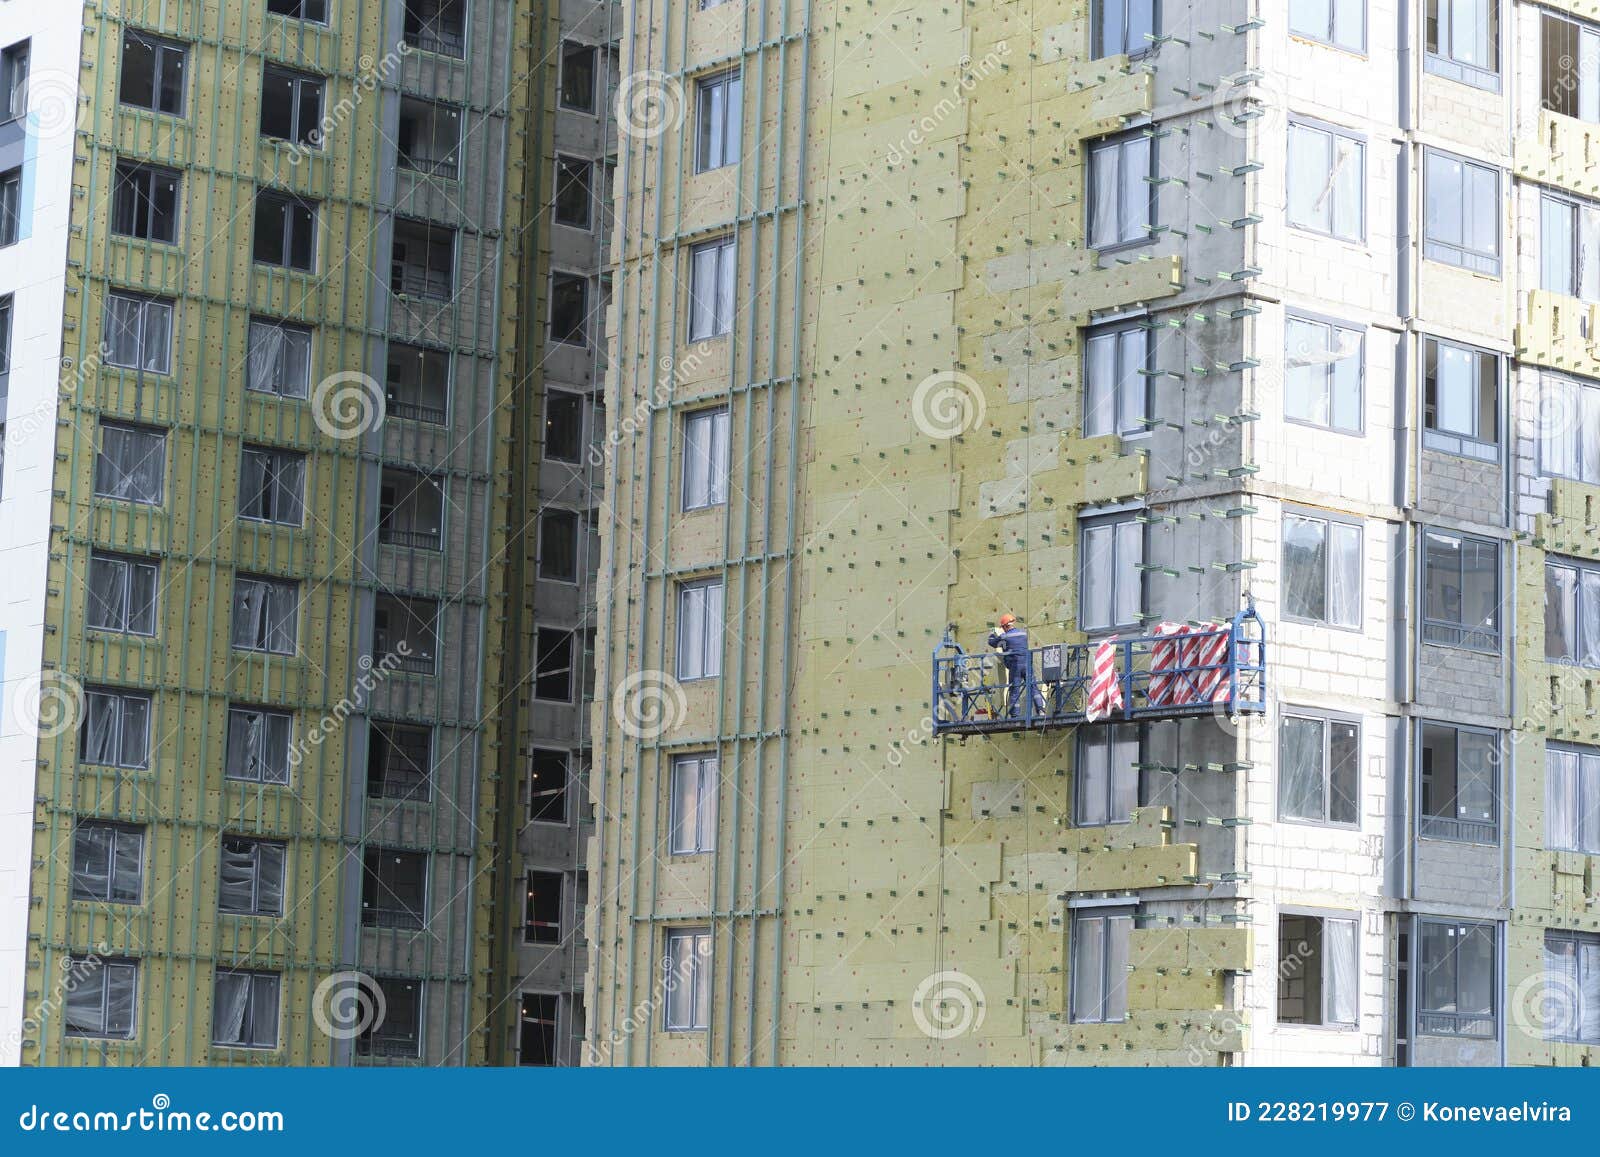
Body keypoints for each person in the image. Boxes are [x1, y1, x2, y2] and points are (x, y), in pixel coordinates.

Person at [988, 614, 1039, 718]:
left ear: (1006, 626)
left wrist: (993, 632)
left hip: (1015, 666)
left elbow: (992, 643)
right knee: (1033, 687)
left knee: (1014, 689)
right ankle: (1041, 710)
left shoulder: (1004, 636)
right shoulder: (1023, 633)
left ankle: (1015, 715)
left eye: (1003, 627)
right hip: (1027, 664)